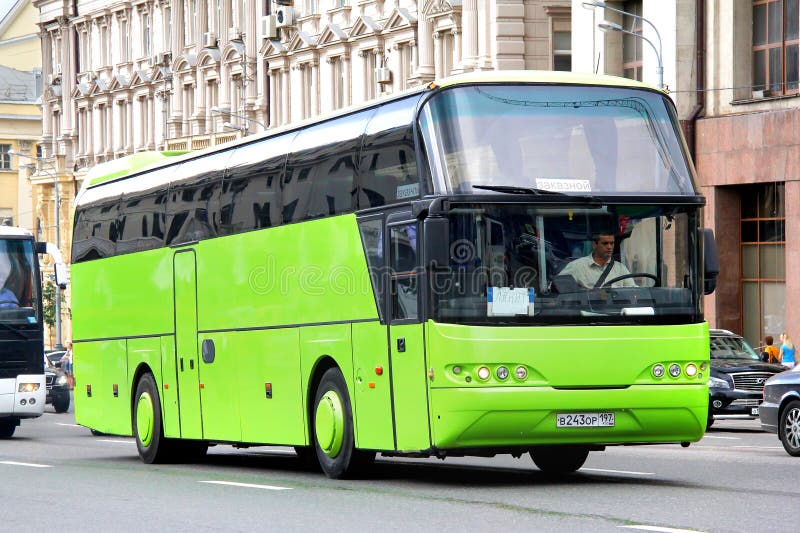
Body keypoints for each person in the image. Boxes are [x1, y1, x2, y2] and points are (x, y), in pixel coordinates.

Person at [559, 231, 636, 289]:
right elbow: (557, 287)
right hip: (588, 309)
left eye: (612, 243)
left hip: (617, 308)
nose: (609, 247)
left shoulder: (620, 268)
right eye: (605, 243)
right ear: (594, 245)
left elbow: (633, 290)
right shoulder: (577, 266)